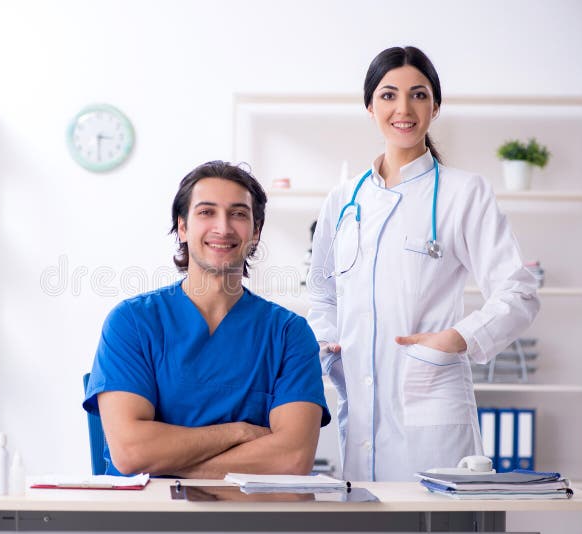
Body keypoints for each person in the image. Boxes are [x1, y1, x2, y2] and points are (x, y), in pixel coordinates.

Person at [307, 46, 540, 482]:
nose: (404, 109)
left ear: (435, 106)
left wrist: (457, 337)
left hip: (431, 403)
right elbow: (322, 291)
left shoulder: (463, 193)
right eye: (388, 95)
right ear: (370, 106)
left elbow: (519, 290)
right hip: (358, 406)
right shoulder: (343, 200)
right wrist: (328, 340)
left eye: (418, 95)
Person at [84, 160, 330, 477]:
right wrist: (240, 432)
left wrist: (168, 464)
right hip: (146, 518)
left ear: (255, 232)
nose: (223, 227)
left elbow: (292, 458)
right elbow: (131, 452)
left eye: (239, 214)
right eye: (206, 212)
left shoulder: (288, 334)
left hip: (250, 520)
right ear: (183, 227)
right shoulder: (132, 323)